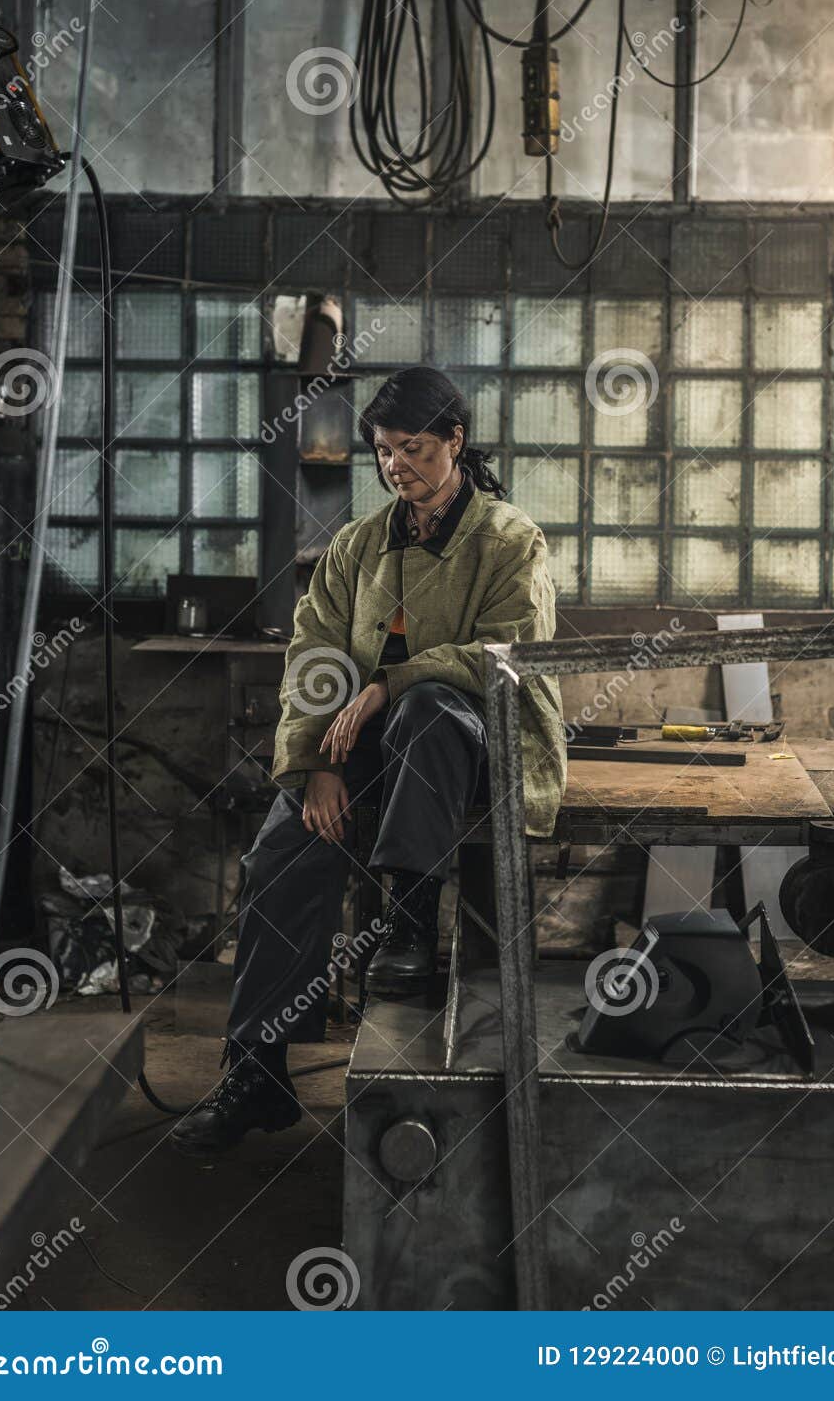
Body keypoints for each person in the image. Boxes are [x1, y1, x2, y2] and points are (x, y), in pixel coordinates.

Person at [171, 366, 566, 1157]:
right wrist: (317, 763)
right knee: (283, 851)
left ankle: (409, 917)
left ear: (455, 441)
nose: (397, 467)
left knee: (423, 709)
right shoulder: (359, 545)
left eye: (414, 448)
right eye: (384, 452)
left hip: (470, 741)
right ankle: (256, 1074)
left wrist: (393, 683)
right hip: (365, 748)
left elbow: (507, 653)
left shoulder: (508, 539)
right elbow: (314, 653)